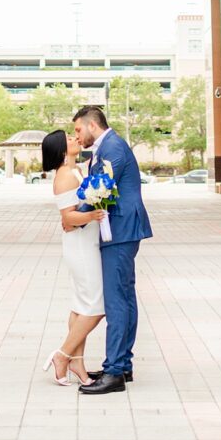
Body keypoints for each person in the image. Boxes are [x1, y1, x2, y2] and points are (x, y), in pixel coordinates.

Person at [71, 104, 153, 395]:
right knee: (125, 298)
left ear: (93, 125)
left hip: (120, 230)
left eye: (78, 130)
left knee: (116, 301)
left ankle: (115, 371)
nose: (77, 136)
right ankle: (122, 365)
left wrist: (73, 217)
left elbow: (100, 188)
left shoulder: (113, 148)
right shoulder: (106, 148)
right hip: (120, 229)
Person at [40, 128, 106, 386]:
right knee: (96, 306)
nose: (75, 138)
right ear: (60, 149)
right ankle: (63, 355)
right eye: (68, 138)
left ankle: (77, 363)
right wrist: (93, 215)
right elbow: (68, 217)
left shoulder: (77, 169)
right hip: (79, 246)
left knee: (81, 305)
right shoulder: (64, 176)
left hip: (86, 242)